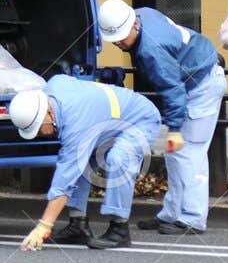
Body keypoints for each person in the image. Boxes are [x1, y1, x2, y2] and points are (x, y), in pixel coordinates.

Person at [98, 0, 225, 235]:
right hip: (198, 75)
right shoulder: (142, 14)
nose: (119, 43)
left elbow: (172, 89)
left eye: (122, 37)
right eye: (114, 40)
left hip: (200, 86)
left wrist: (174, 129)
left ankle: (193, 218)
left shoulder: (152, 50)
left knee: (190, 153)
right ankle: (172, 213)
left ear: (134, 24)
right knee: (175, 154)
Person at [10, 75, 163, 251]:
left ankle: (120, 229)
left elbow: (64, 180)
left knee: (119, 158)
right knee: (80, 164)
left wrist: (44, 226)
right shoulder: (50, 91)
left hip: (141, 119)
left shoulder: (75, 123)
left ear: (48, 113)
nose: (38, 134)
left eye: (37, 128)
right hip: (104, 123)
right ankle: (78, 226)